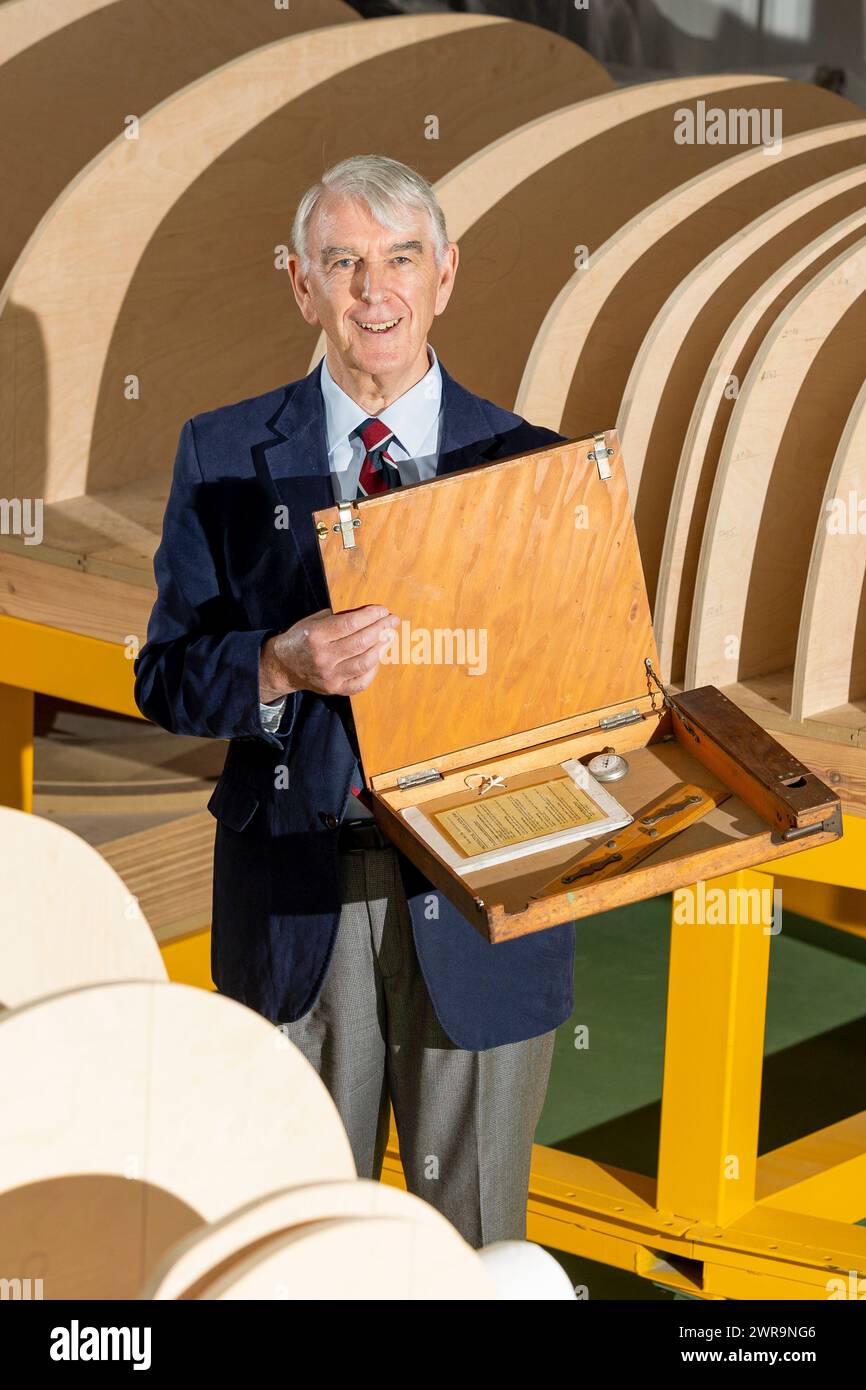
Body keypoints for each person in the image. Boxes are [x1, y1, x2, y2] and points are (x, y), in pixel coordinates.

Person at [134, 154, 575, 1248]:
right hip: (296, 898)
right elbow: (164, 676)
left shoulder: (531, 470)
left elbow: (586, 699)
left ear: (445, 276)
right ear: (301, 284)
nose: (372, 290)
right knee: (294, 1235)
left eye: (399, 259)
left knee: (466, 1242)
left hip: (478, 904)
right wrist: (276, 666)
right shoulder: (225, 453)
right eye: (342, 262)